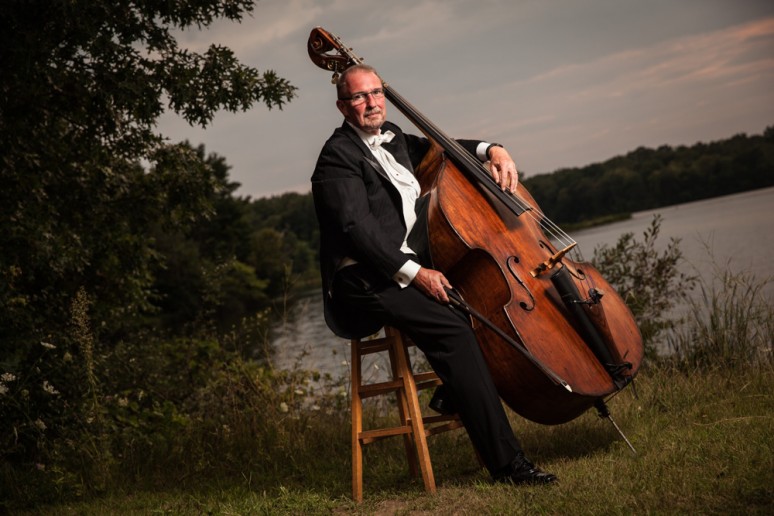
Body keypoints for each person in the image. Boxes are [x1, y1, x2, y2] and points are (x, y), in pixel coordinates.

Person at [311, 63, 556, 485]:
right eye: (358, 97)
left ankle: (454, 390)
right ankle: (508, 467)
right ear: (342, 107)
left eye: (375, 93)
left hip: (402, 266)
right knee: (454, 328)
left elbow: (448, 149)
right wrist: (417, 274)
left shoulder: (397, 140)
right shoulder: (336, 159)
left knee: (475, 304)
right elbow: (357, 231)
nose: (371, 103)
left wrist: (493, 149)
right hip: (363, 278)